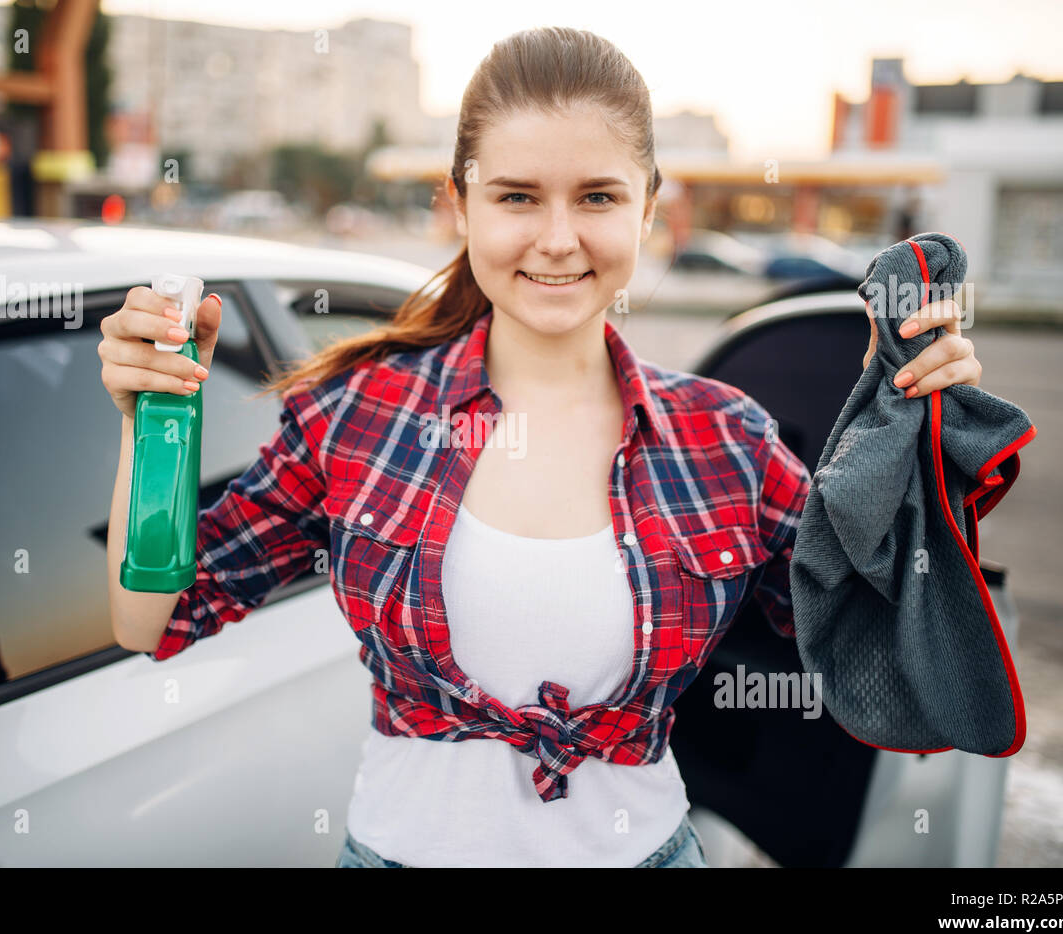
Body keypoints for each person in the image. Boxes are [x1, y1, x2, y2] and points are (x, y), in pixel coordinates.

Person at [99, 27, 982, 868]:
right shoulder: (356, 414)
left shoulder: (728, 441)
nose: (557, 239)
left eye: (597, 196)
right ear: (461, 203)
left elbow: (896, 661)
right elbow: (154, 618)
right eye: (517, 196)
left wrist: (907, 433)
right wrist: (151, 426)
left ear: (647, 209)